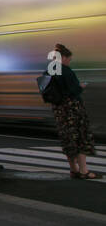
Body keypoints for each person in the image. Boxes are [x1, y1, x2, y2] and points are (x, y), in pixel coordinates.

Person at [44, 44, 98, 179]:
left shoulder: (49, 70)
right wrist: (81, 86)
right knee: (80, 137)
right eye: (69, 59)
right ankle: (84, 171)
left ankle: (74, 169)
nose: (69, 61)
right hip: (72, 109)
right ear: (63, 57)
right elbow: (73, 91)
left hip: (59, 110)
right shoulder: (66, 71)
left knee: (68, 138)